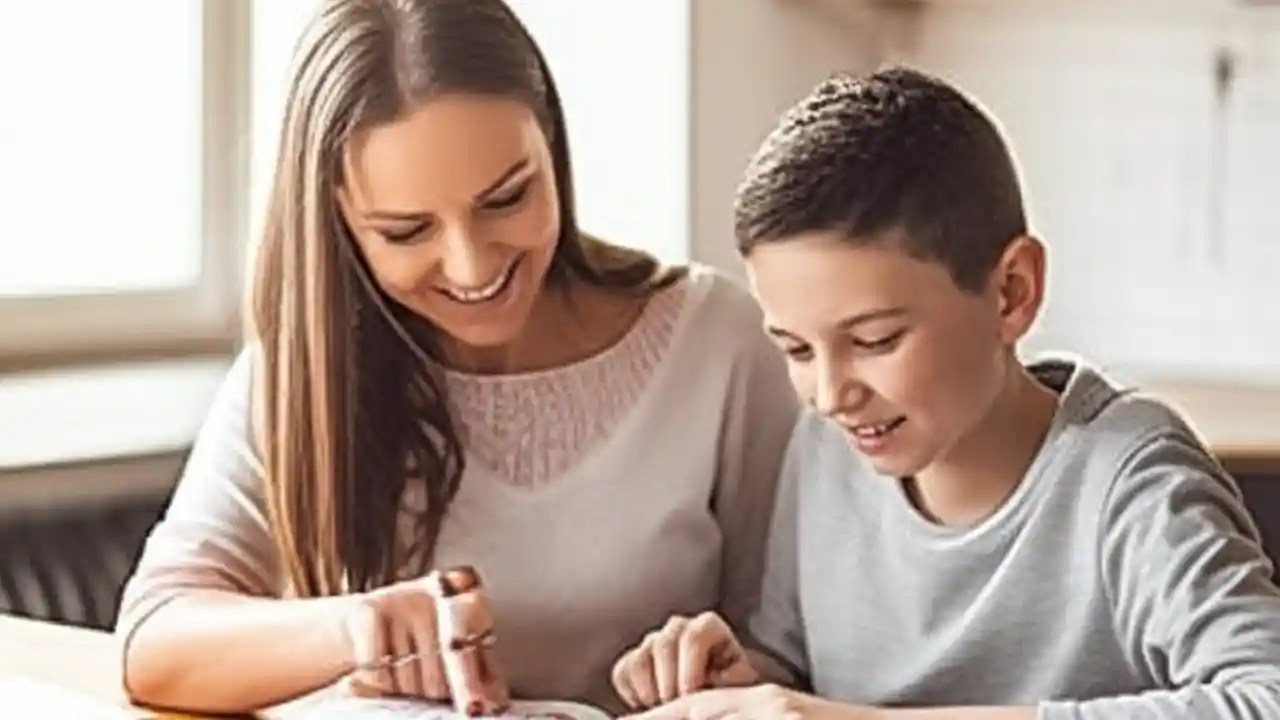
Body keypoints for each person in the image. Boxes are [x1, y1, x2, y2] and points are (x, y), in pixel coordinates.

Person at [114, 0, 798, 715]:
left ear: (553, 148)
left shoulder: (718, 341)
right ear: (341, 226)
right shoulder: (303, 369)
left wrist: (729, 671)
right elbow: (155, 642)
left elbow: (796, 648)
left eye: (507, 198)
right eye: (406, 231)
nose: (472, 268)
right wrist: (356, 629)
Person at [612, 67, 1280, 719]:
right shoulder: (826, 446)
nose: (829, 392)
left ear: (1011, 292)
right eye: (794, 349)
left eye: (874, 340)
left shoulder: (1131, 478)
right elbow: (797, 671)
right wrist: (741, 680)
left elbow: (1264, 697)